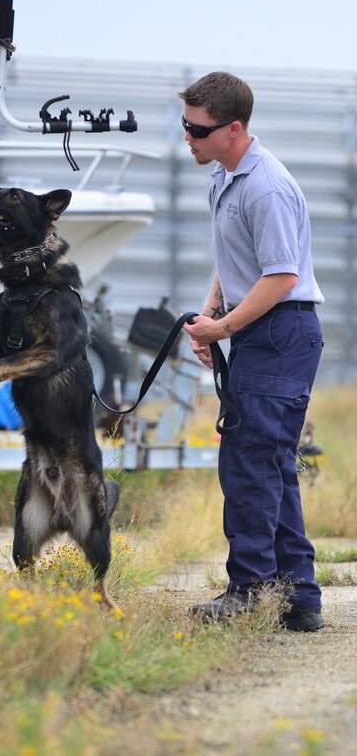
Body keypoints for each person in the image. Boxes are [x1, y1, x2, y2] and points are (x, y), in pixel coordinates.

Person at [179, 71, 325, 632]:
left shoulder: (265, 186)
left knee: (248, 467)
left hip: (280, 332)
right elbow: (237, 258)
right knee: (270, 466)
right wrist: (213, 313)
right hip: (262, 331)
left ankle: (249, 592)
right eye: (185, 126)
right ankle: (299, 598)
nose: (187, 138)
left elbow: (282, 275)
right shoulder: (226, 176)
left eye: (197, 129)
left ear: (232, 128)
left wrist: (226, 328)